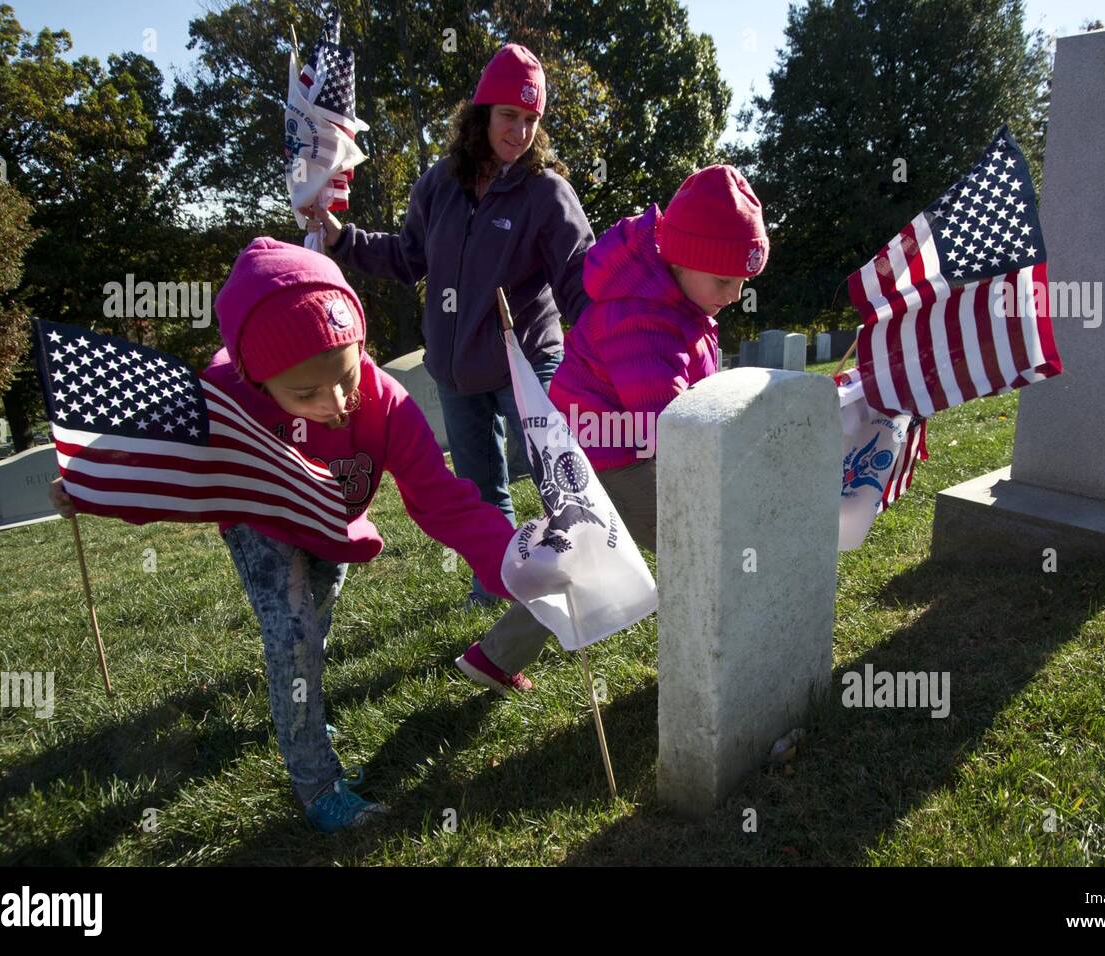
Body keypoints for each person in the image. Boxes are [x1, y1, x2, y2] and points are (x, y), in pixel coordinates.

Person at [49, 238, 520, 831]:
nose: (337, 403)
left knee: (315, 624)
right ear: (256, 380)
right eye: (305, 394)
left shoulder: (386, 404)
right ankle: (317, 784)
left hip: (334, 524)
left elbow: (441, 499)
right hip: (261, 523)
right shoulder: (221, 397)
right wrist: (89, 485)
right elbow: (163, 463)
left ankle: (302, 700)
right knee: (294, 631)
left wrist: (509, 560)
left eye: (347, 377)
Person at [302, 43, 593, 608]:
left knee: (562, 480)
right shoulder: (439, 185)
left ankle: (587, 583)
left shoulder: (546, 193)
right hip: (457, 373)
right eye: (510, 116)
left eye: (532, 120)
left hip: (526, 364)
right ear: (480, 115)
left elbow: (582, 282)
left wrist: (613, 339)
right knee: (483, 493)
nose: (520, 131)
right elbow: (409, 255)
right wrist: (341, 238)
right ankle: (502, 591)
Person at [458, 165, 770, 690]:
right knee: (700, 537)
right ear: (685, 258)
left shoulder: (680, 300)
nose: (736, 293)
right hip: (612, 459)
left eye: (743, 280)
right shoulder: (642, 318)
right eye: (725, 279)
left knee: (576, 561)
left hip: (613, 455)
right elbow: (667, 423)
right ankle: (707, 653)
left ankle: (493, 658)